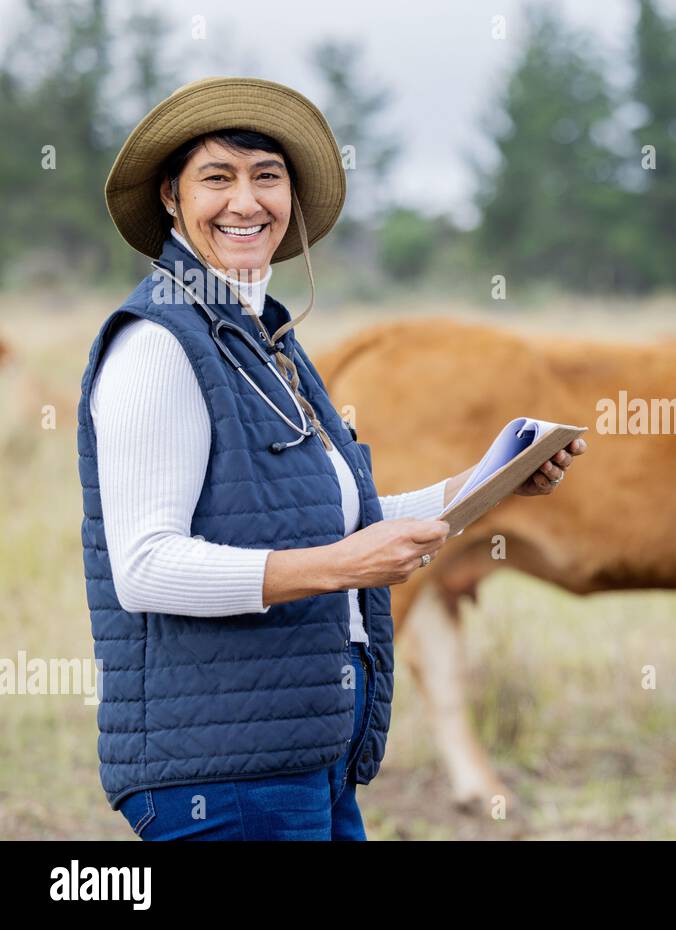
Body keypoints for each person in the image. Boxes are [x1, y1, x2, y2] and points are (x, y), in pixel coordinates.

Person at [78, 76, 586, 840]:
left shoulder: (266, 341)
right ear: (170, 199)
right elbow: (146, 566)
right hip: (223, 776)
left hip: (305, 751)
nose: (246, 203)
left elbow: (341, 521)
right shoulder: (158, 344)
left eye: (268, 178)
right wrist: (344, 565)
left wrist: (487, 483)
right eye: (217, 178)